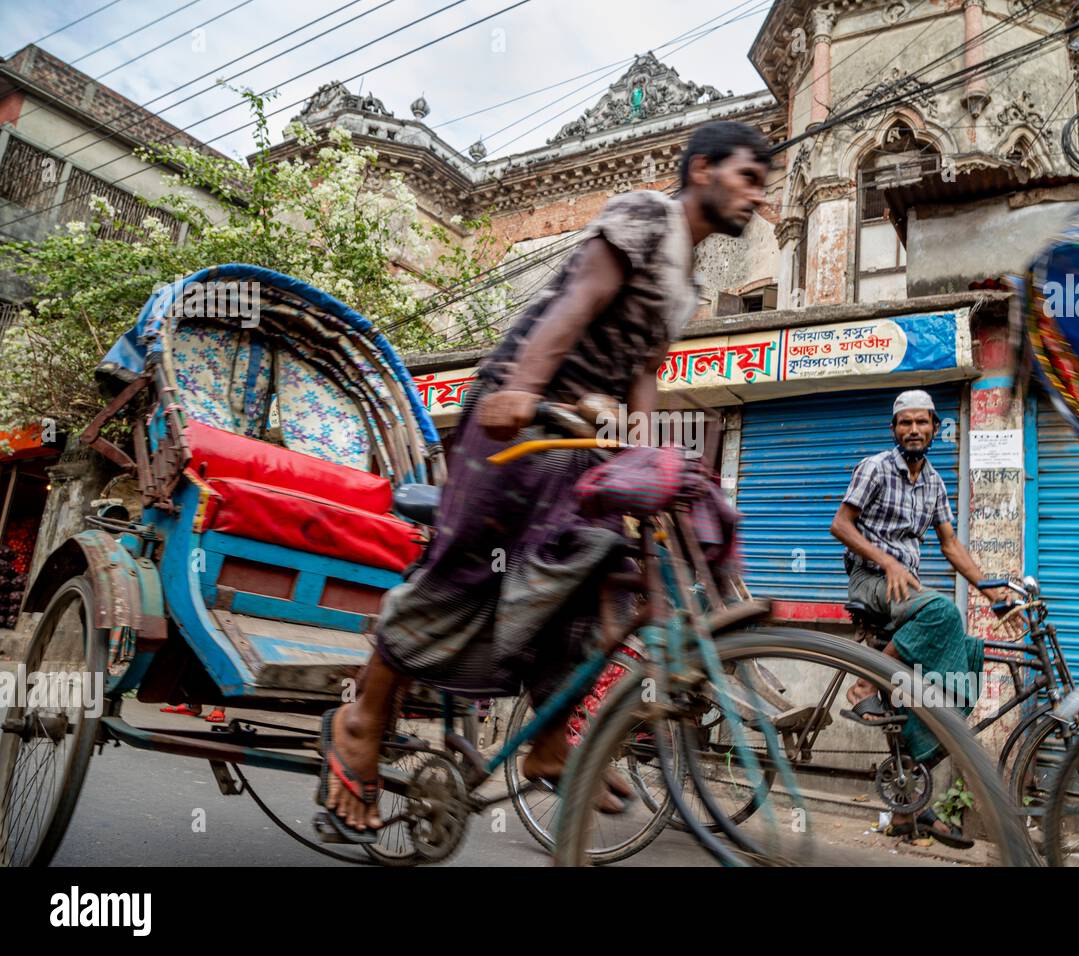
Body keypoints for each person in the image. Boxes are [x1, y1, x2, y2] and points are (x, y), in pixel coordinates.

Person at [317, 120, 771, 841]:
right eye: (749, 177)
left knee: (597, 586)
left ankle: (550, 741)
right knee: (462, 574)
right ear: (705, 168)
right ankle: (363, 717)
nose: (758, 196)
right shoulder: (644, 216)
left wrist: (643, 457)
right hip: (519, 418)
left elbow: (643, 372)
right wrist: (521, 388)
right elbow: (579, 301)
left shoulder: (684, 281)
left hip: (581, 441)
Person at [829, 389, 1006, 848]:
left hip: (903, 590)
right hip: (872, 581)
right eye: (904, 423)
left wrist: (988, 587)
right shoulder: (874, 468)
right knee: (943, 609)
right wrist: (887, 561)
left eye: (921, 423)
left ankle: (909, 813)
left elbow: (949, 545)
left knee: (954, 670)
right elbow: (840, 526)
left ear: (934, 427)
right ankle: (869, 682)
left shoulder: (935, 482)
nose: (913, 430)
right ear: (894, 429)